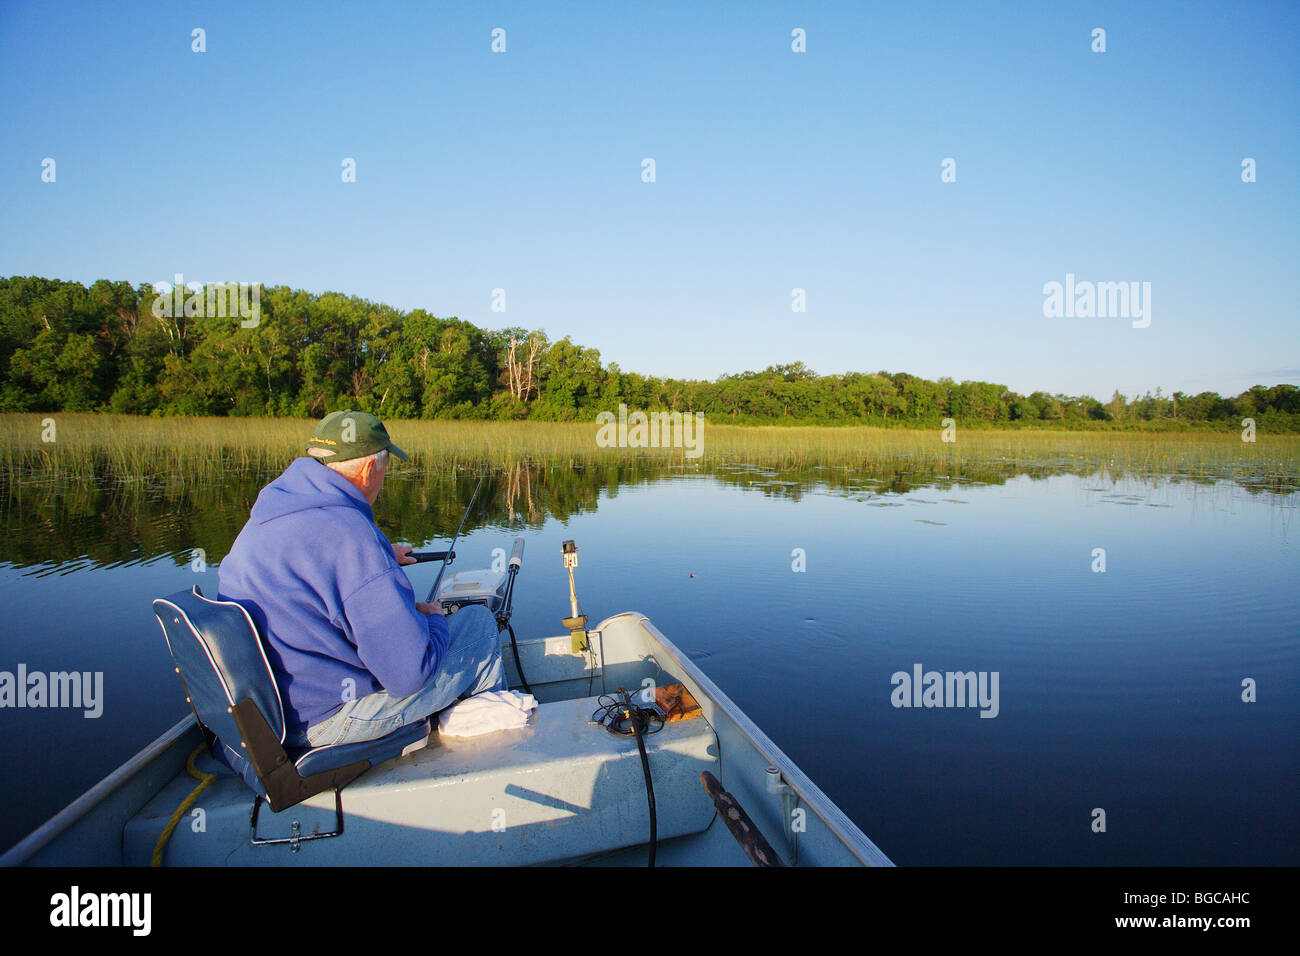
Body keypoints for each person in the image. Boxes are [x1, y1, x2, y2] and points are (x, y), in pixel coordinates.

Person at [217, 410, 506, 749]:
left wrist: (380, 555)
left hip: (267, 717)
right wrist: (437, 620)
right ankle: (496, 749)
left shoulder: (269, 514)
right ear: (371, 468)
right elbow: (411, 675)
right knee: (478, 625)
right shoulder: (353, 538)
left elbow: (319, 569)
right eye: (387, 467)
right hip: (323, 724)